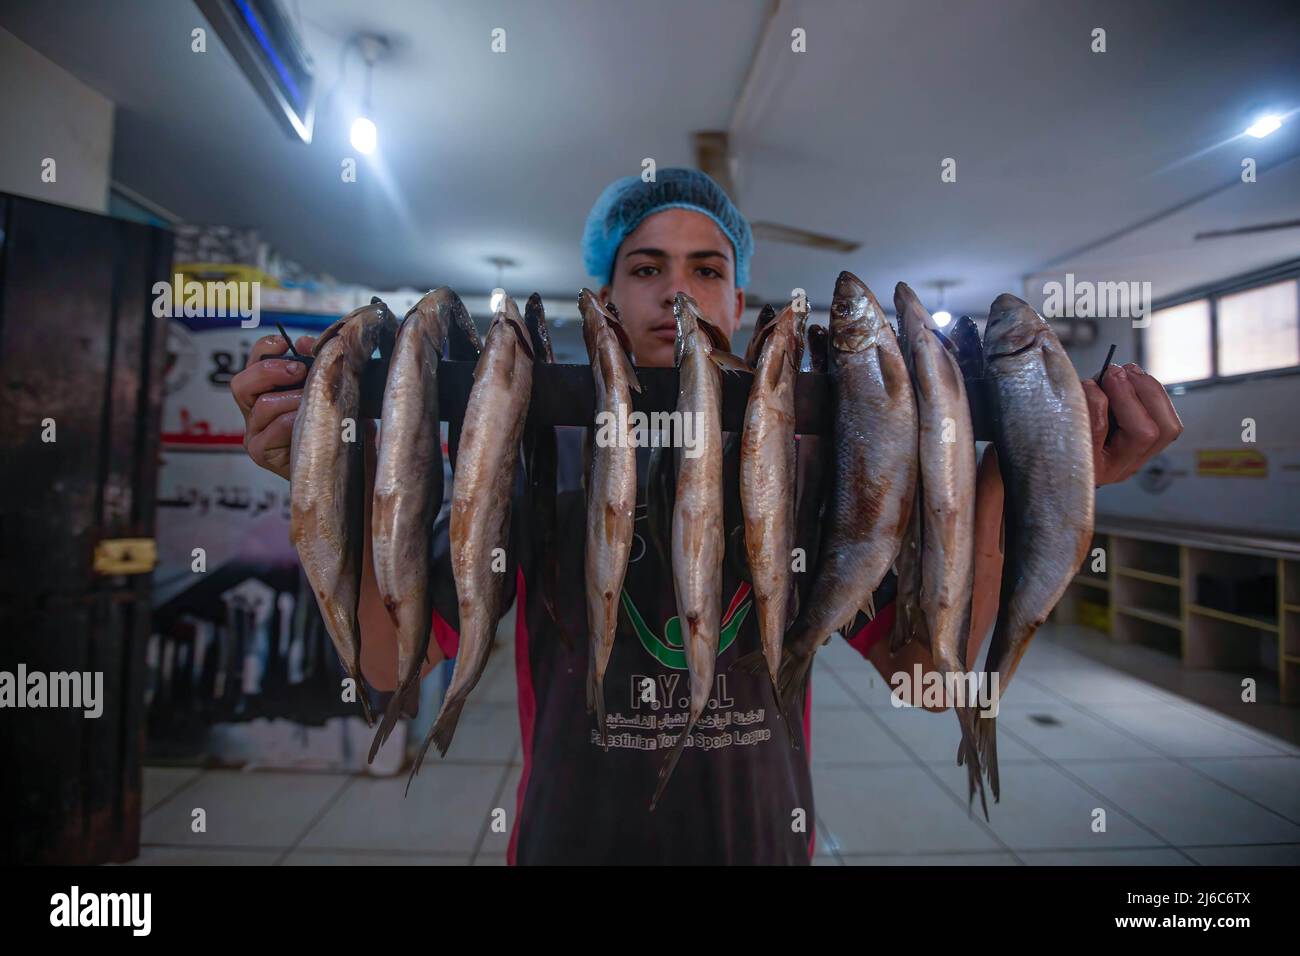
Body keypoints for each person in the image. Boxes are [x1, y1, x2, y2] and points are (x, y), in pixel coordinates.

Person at [231, 168, 1183, 864]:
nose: (676, 291)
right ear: (602, 296)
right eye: (645, 267)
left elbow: (928, 684)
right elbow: (392, 663)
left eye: (706, 267)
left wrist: (1036, 479)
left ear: (739, 297)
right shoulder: (539, 446)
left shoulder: (814, 461)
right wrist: (328, 475)